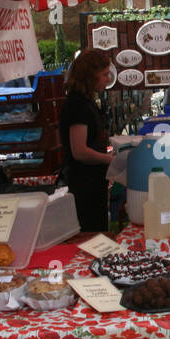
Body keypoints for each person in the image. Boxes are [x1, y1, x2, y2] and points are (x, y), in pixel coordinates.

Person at [59, 48, 114, 232]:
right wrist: (110, 159)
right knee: (89, 233)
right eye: (104, 74)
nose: (107, 79)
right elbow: (80, 151)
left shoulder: (86, 101)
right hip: (83, 186)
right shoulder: (77, 105)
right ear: (90, 75)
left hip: (93, 182)